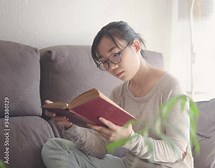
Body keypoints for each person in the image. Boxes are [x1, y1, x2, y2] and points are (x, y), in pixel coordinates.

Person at [41, 21, 193, 168]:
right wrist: (71, 127)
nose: (112, 67)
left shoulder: (171, 87)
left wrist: (131, 140)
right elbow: (100, 148)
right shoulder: (118, 94)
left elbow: (176, 150)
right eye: (105, 62)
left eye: (115, 55)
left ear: (136, 46)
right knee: (55, 147)